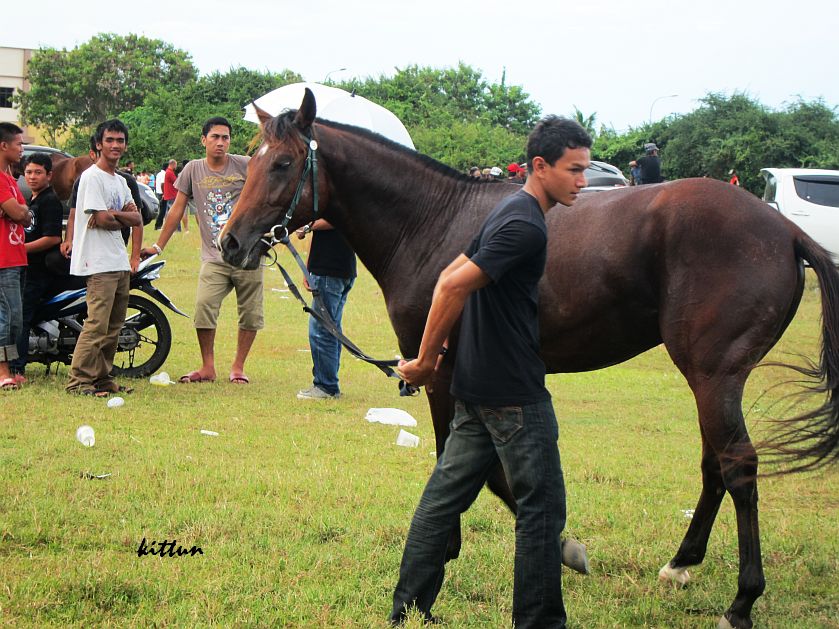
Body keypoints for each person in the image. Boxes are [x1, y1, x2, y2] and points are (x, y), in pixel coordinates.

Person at [389, 116, 592, 628]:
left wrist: (431, 360)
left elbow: (447, 276)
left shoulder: (508, 210)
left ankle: (408, 609)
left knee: (442, 499)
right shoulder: (524, 224)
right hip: (515, 397)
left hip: (476, 392)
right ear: (541, 166)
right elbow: (451, 287)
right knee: (542, 510)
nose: (583, 182)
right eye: (575, 170)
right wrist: (424, 360)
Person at [140, 116, 260, 385]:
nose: (221, 142)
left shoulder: (245, 165)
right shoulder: (193, 169)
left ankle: (238, 367)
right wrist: (158, 245)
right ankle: (208, 366)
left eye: (225, 137)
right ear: (203, 140)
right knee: (204, 307)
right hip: (213, 256)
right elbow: (177, 210)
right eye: (215, 137)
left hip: (248, 254)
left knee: (250, 313)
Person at [65, 119, 142, 396]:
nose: (115, 145)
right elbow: (100, 218)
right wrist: (119, 215)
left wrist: (116, 215)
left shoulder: (120, 181)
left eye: (120, 140)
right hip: (98, 263)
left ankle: (103, 378)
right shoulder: (91, 177)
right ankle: (78, 381)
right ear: (98, 144)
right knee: (97, 324)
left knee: (114, 326)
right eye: (110, 140)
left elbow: (136, 217)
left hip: (118, 261)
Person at [9, 153, 63, 380]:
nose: (32, 177)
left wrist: (20, 250)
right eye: (29, 172)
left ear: (49, 175)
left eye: (38, 172)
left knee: (21, 318)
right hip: (27, 268)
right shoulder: (33, 200)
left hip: (39, 271)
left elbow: (53, 238)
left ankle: (16, 367)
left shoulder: (50, 201)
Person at [294, 219, 356, 400]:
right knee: (332, 328)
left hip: (331, 270)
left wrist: (306, 226)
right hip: (331, 269)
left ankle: (326, 386)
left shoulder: (339, 197)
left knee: (322, 330)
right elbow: (319, 235)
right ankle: (328, 382)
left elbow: (333, 219)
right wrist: (309, 268)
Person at [0, 122, 32, 390]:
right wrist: (19, 212)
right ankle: (2, 371)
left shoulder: (11, 180)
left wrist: (17, 211)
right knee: (7, 317)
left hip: (17, 257)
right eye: (19, 144)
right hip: (2, 260)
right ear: (4, 146)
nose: (22, 149)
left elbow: (24, 213)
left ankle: (9, 367)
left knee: (16, 319)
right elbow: (22, 213)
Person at [154, 159, 177, 230]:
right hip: (163, 193)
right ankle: (159, 225)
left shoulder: (159, 174)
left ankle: (160, 225)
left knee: (162, 210)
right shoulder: (166, 173)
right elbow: (162, 184)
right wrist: (164, 193)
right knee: (163, 211)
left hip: (159, 192)